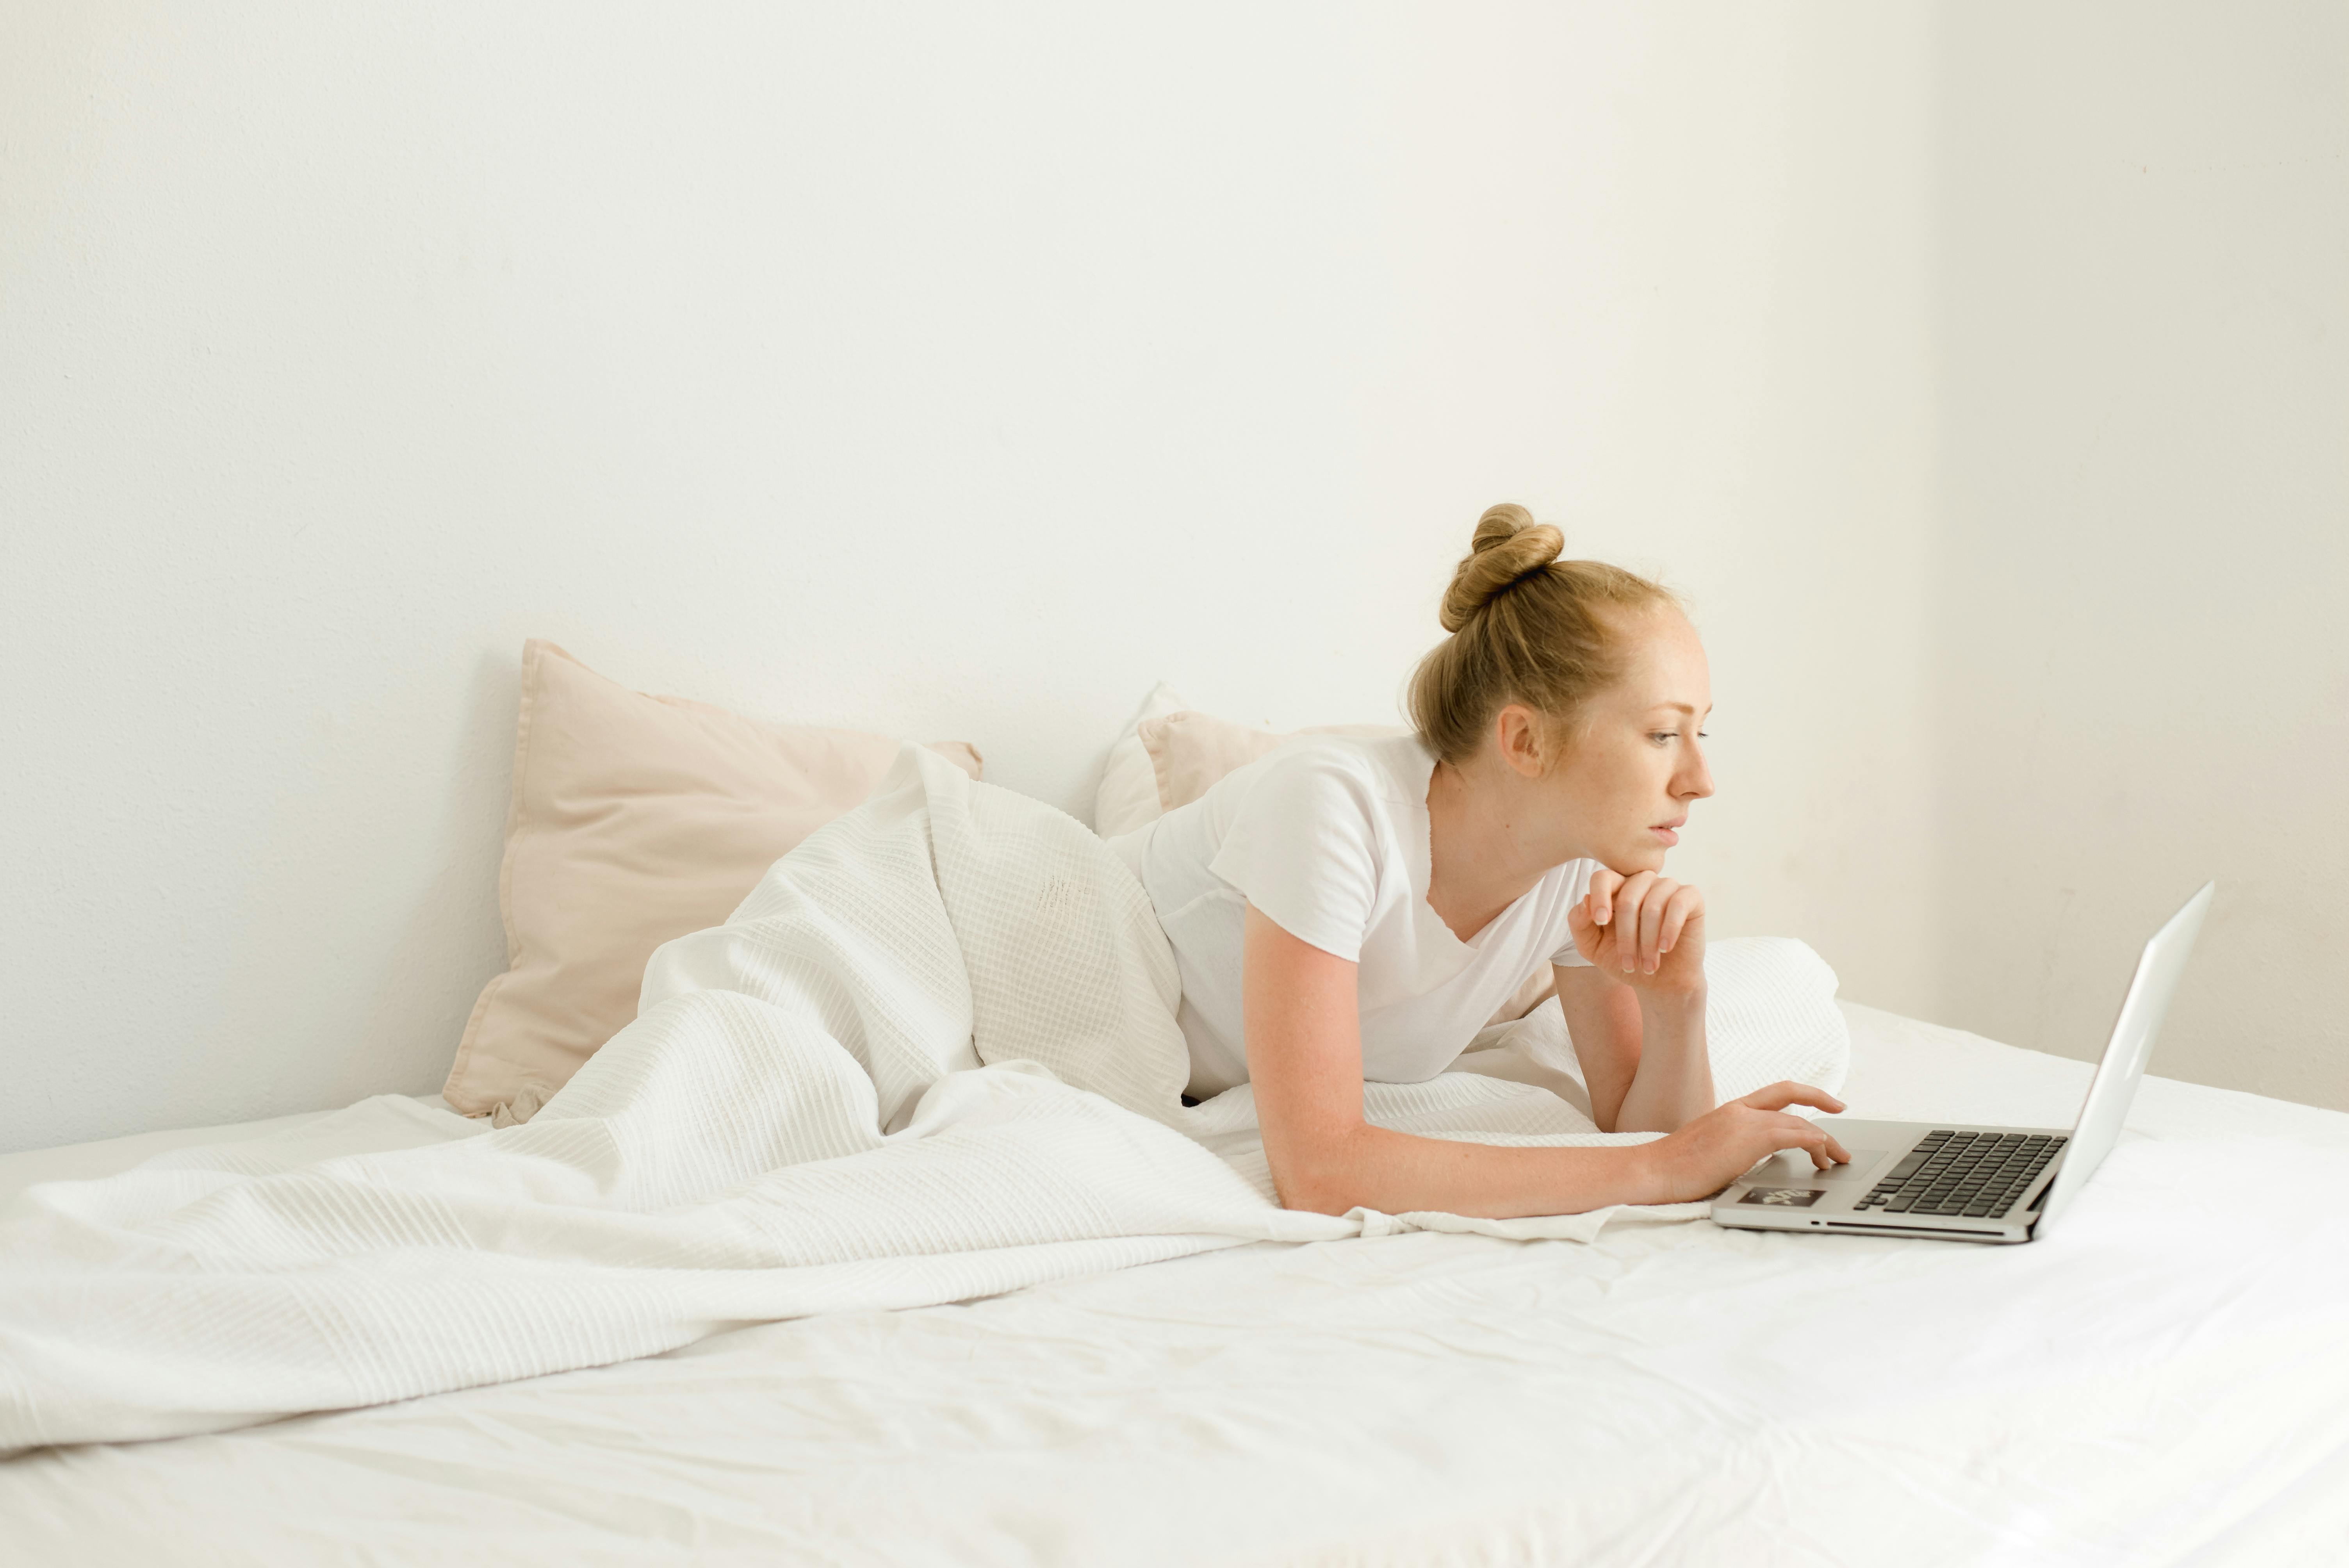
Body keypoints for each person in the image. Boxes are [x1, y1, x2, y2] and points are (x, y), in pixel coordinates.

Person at [1112, 504, 1851, 1219]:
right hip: (1066, 949)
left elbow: (1653, 1138)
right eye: (1662, 735)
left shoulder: (1574, 862)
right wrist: (1659, 1167)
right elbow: (1320, 1172)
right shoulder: (1329, 807)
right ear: (1525, 742)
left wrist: (1677, 1004)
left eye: (1701, 736)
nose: (1700, 780)